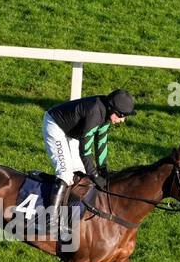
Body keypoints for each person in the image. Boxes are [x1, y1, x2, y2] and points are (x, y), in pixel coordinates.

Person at [41, 89, 136, 238]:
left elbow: (101, 141)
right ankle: (49, 220)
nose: (122, 120)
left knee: (81, 176)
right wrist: (95, 175)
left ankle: (67, 218)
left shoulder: (106, 114)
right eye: (121, 115)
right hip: (55, 126)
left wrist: (103, 168)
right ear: (112, 109)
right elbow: (85, 151)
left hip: (71, 132)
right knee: (65, 173)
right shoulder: (95, 113)